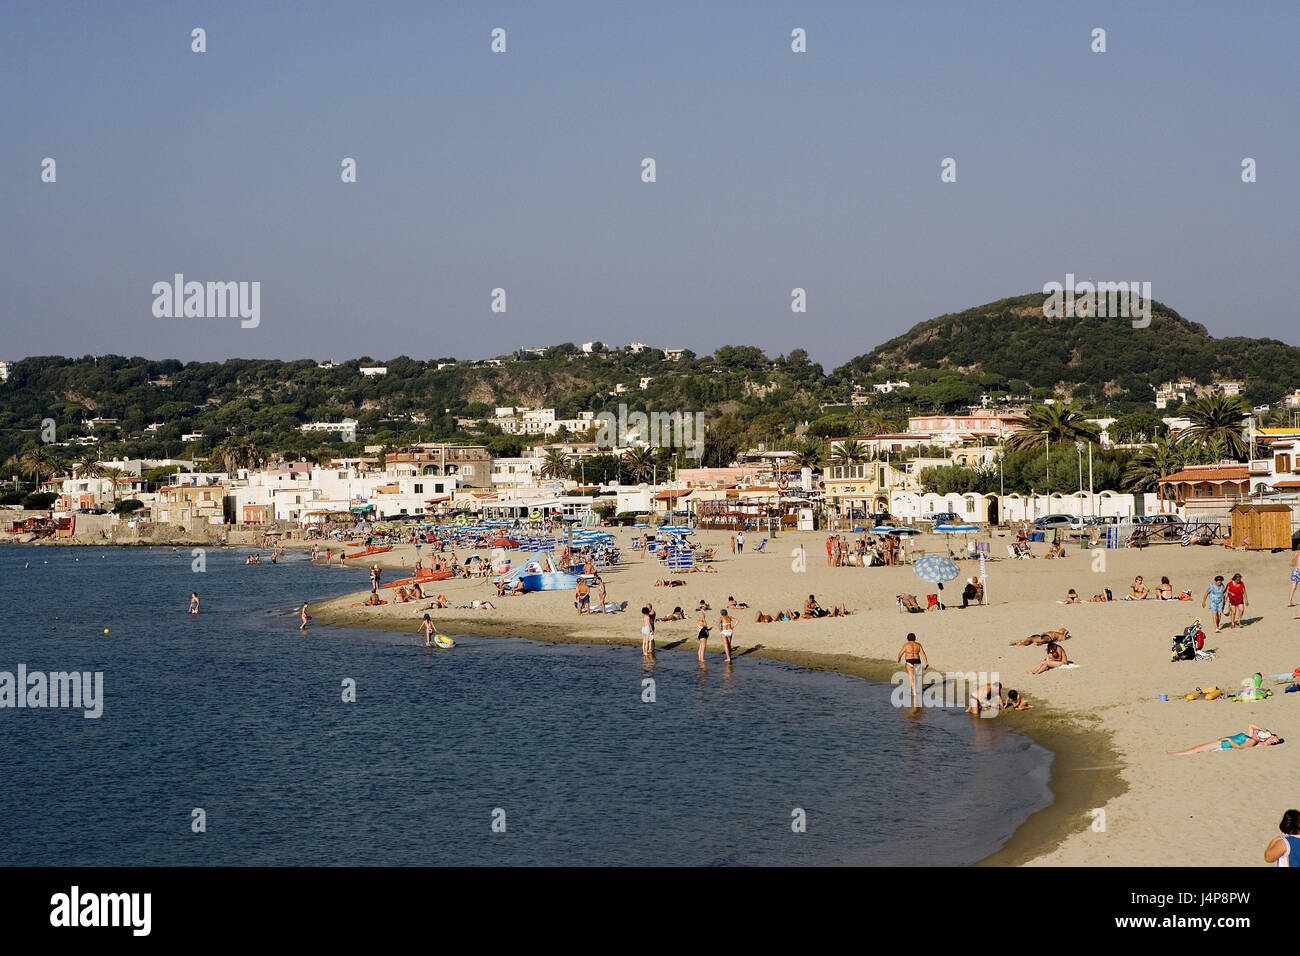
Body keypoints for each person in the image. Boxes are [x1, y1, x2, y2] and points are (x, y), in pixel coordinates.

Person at [1166, 724, 1282, 755]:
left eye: (1259, 734)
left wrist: (1228, 739)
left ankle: (1174, 753)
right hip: (1223, 742)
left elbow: (1239, 747)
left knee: (1198, 749)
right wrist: (1262, 728)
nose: (1257, 733)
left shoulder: (1253, 741)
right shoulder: (1252, 737)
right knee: (1198, 747)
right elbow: (1251, 725)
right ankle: (1175, 752)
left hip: (1223, 745)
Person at [897, 633, 928, 704]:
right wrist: (926, 662)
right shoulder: (918, 645)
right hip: (917, 661)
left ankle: (914, 694)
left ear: (907, 638)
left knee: (911, 678)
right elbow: (923, 653)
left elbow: (900, 653)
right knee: (916, 677)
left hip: (909, 661)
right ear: (915, 638)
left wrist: (899, 659)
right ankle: (915, 691)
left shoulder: (906, 645)